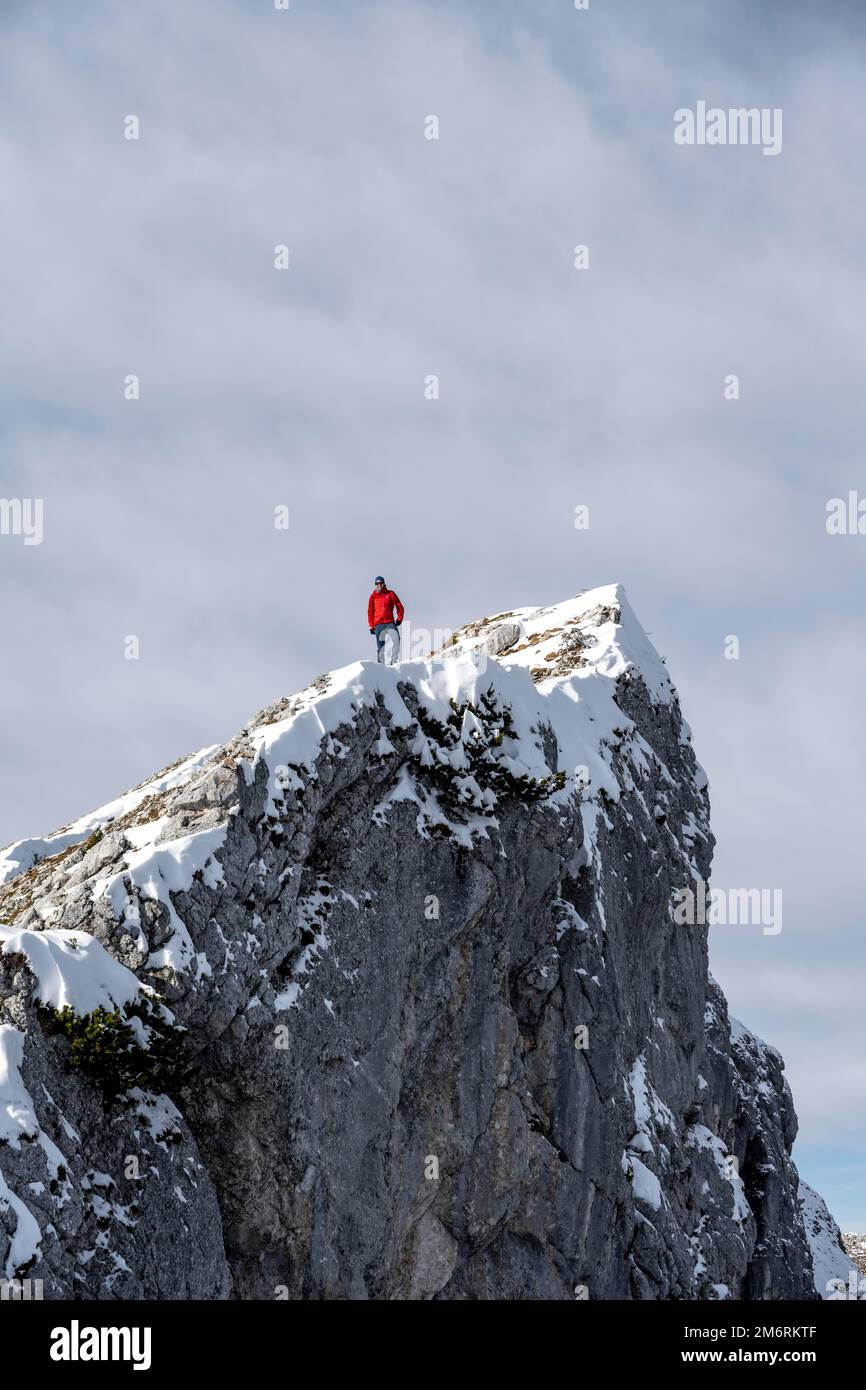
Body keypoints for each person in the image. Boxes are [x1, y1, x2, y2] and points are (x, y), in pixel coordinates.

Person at [368, 575, 404, 664]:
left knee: (396, 639)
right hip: (378, 624)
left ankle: (394, 661)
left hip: (389, 622)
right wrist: (371, 626)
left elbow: (400, 607)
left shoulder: (390, 594)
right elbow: (370, 611)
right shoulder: (373, 596)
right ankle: (381, 665)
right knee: (381, 647)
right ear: (375, 585)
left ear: (384, 584)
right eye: (377, 583)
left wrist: (399, 619)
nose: (379, 585)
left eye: (381, 583)